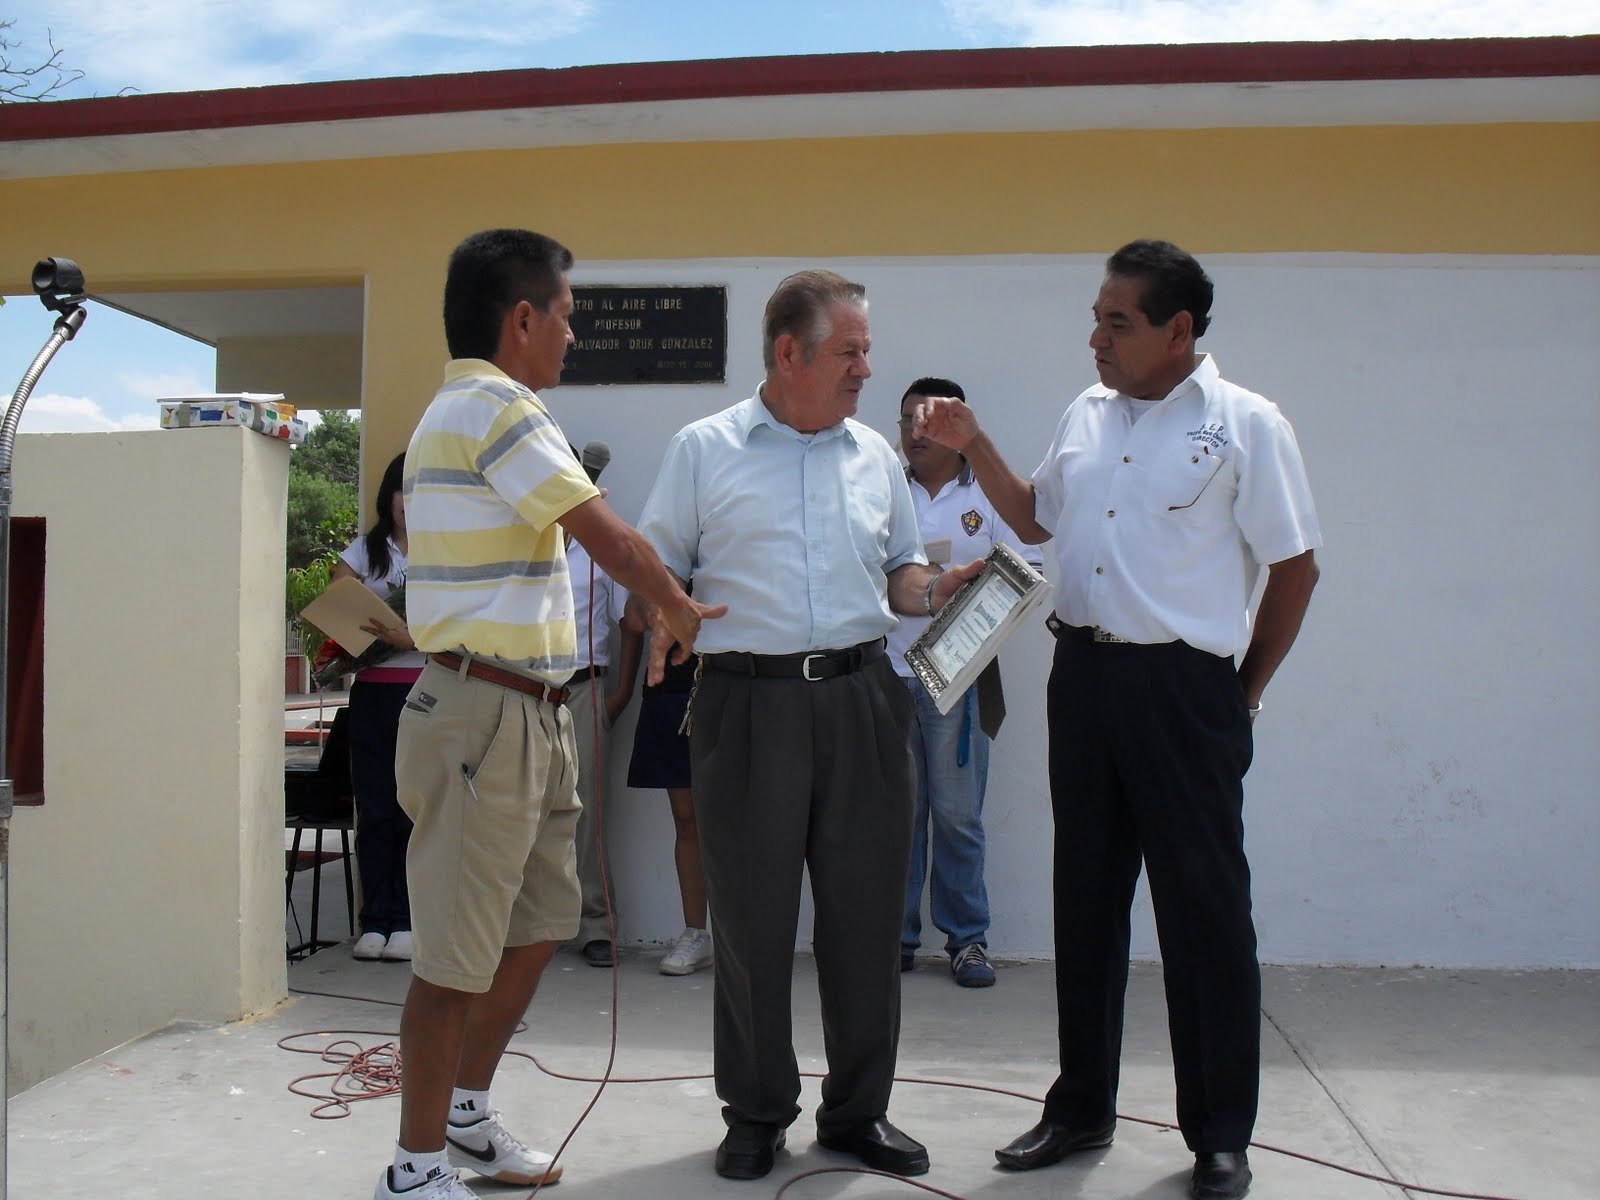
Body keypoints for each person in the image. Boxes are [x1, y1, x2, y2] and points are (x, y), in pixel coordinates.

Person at [914, 239, 1321, 1200]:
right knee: (1086, 899)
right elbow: (1035, 516)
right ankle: (1080, 1104)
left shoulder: (1245, 426)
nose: (1095, 336)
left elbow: (1295, 567)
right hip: (1084, 680)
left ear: (1179, 331)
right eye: (1097, 316)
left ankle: (1220, 1131)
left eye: (1118, 321)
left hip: (1187, 691)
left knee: (1203, 913)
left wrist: (1243, 690)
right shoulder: (1087, 416)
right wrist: (976, 443)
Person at [374, 228, 722, 1200]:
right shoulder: (497, 406)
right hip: (483, 713)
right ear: (520, 318)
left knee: (536, 928)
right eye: (567, 315)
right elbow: (608, 541)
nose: (573, 336)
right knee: (453, 959)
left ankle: (467, 1117)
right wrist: (679, 611)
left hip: (531, 709)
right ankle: (412, 1170)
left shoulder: (476, 410)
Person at [636, 269, 981, 1183]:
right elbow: (657, 564)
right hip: (746, 703)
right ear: (789, 354)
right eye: (851, 351)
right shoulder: (704, 449)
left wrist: (930, 589)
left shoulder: (873, 455)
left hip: (867, 698)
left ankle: (858, 1113)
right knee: (750, 921)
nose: (868, 368)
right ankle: (755, 1112)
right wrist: (668, 612)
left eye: (867, 349)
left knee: (867, 921)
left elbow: (901, 572)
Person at [888, 376, 1042, 989]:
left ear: (957, 428)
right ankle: (893, 939)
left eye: (926, 421)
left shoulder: (991, 497)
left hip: (961, 679)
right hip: (885, 673)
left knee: (956, 816)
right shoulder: (881, 493)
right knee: (896, 815)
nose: (913, 433)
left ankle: (967, 940)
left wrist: (968, 618)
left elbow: (1025, 573)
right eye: (905, 420)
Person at [333, 451, 424, 963]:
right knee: (375, 803)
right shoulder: (369, 551)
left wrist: (407, 635)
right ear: (386, 497)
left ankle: (410, 918)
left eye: (418, 492)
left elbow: (458, 627)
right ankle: (376, 920)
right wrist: (361, 633)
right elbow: (337, 606)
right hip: (373, 690)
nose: (407, 503)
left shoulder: (446, 551)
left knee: (415, 805)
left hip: (427, 689)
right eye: (400, 491)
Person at [566, 450, 642, 969]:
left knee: (586, 814)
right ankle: (514, 932)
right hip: (519, 687)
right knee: (510, 813)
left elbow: (631, 622)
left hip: (582, 688)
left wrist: (619, 693)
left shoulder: (603, 543)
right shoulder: (516, 538)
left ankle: (595, 924)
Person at [620, 614, 710, 976]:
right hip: (673, 684)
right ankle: (696, 933)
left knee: (743, 818)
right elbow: (634, 618)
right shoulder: (665, 556)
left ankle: (750, 937)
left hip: (738, 679)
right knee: (687, 819)